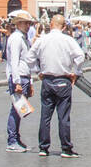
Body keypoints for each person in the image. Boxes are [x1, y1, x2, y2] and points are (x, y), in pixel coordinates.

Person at [28, 14, 85, 157]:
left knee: (45, 116)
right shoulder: (68, 40)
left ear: (51, 24)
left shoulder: (42, 39)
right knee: (63, 116)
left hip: (47, 80)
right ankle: (66, 148)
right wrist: (76, 72)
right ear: (64, 26)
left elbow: (29, 58)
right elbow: (80, 55)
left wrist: (38, 71)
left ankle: (43, 147)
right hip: (63, 80)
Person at [4, 10, 37, 152]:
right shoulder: (16, 38)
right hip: (18, 77)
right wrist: (16, 81)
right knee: (16, 109)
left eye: (29, 23)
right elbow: (14, 61)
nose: (28, 25)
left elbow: (27, 61)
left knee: (20, 110)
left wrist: (30, 82)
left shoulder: (24, 38)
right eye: (26, 23)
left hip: (24, 76)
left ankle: (16, 138)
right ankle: (12, 141)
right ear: (18, 23)